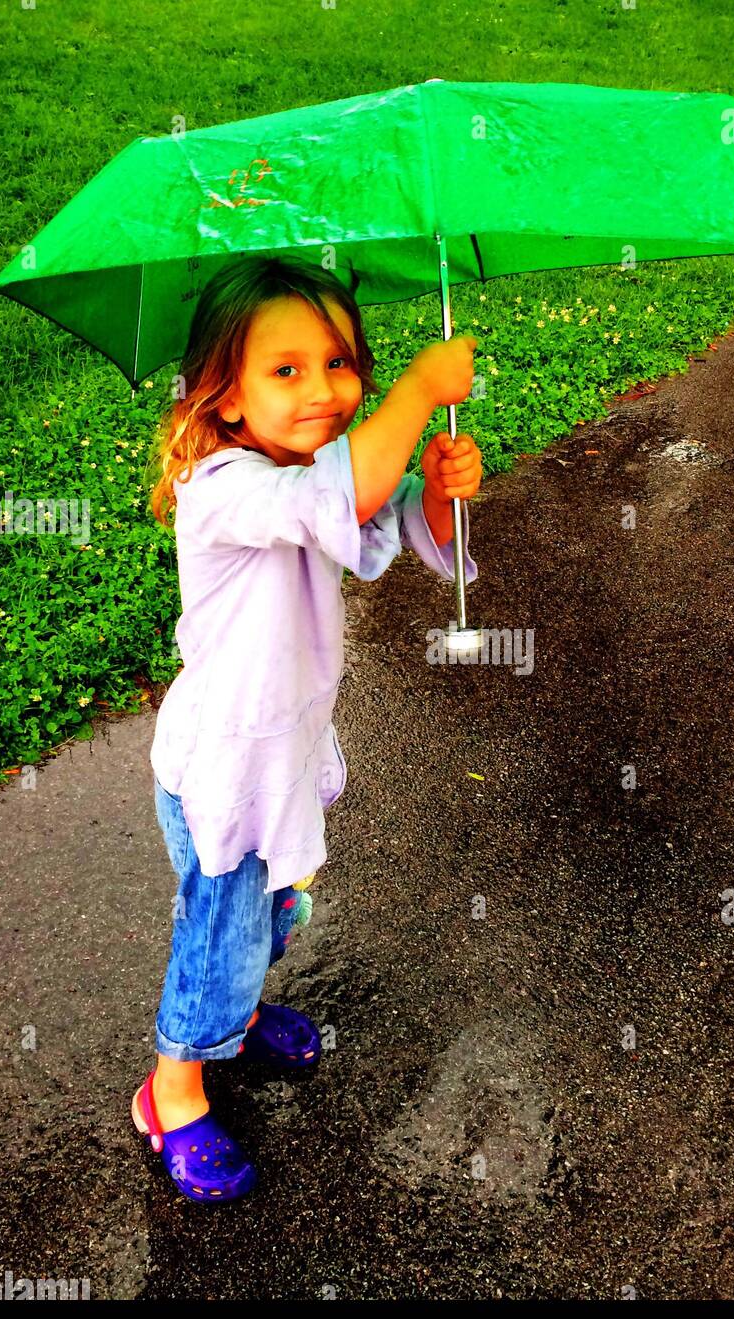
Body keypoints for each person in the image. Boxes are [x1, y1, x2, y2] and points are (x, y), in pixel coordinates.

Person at [134, 253, 481, 1201]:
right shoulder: (225, 487)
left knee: (275, 916)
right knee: (220, 940)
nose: (323, 390)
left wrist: (441, 494)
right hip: (223, 773)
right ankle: (174, 1092)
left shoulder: (309, 473)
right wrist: (414, 392)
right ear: (227, 397)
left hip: (281, 760)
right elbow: (348, 496)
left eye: (340, 363)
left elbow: (379, 522)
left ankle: (236, 1020)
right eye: (285, 370)